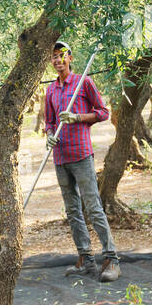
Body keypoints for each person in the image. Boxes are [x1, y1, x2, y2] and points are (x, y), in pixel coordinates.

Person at [45, 42, 121, 282]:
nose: (58, 60)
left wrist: (77, 117)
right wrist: (48, 135)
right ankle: (85, 259)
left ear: (70, 58)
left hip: (81, 155)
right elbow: (49, 122)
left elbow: (103, 112)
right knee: (72, 210)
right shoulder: (51, 91)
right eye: (54, 57)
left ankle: (111, 260)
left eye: (61, 56)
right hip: (60, 157)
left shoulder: (83, 83)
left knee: (92, 206)